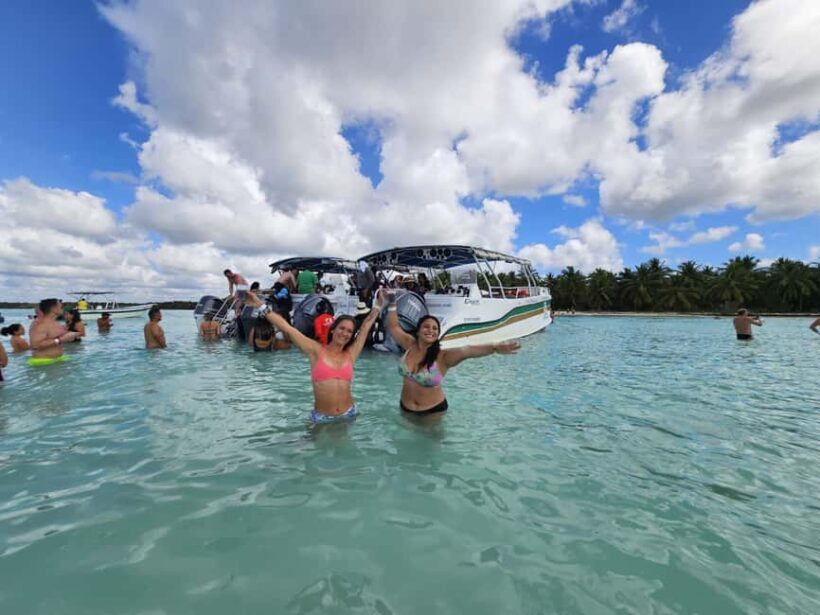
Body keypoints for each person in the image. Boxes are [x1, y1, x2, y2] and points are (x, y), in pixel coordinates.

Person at [244, 291, 382, 423]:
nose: (344, 333)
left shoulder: (351, 354)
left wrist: (379, 304)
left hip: (349, 414)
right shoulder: (316, 350)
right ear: (333, 329)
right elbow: (287, 328)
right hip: (322, 418)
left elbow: (366, 326)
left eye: (349, 331)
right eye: (341, 328)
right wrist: (259, 305)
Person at [383, 290, 520, 416]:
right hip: (405, 409)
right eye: (426, 327)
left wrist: (494, 347)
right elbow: (394, 326)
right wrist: (392, 303)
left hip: (432, 412)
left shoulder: (443, 356)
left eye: (435, 329)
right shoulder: (409, 344)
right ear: (418, 331)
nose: (430, 330)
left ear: (438, 334)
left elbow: (467, 350)